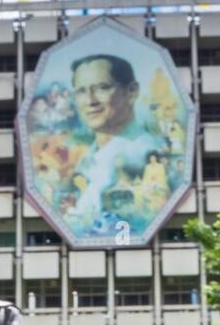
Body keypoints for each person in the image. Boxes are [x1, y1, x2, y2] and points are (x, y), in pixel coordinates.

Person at [67, 54, 164, 230]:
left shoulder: (145, 150)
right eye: (81, 91)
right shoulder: (86, 159)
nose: (90, 101)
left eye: (102, 88)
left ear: (131, 92)